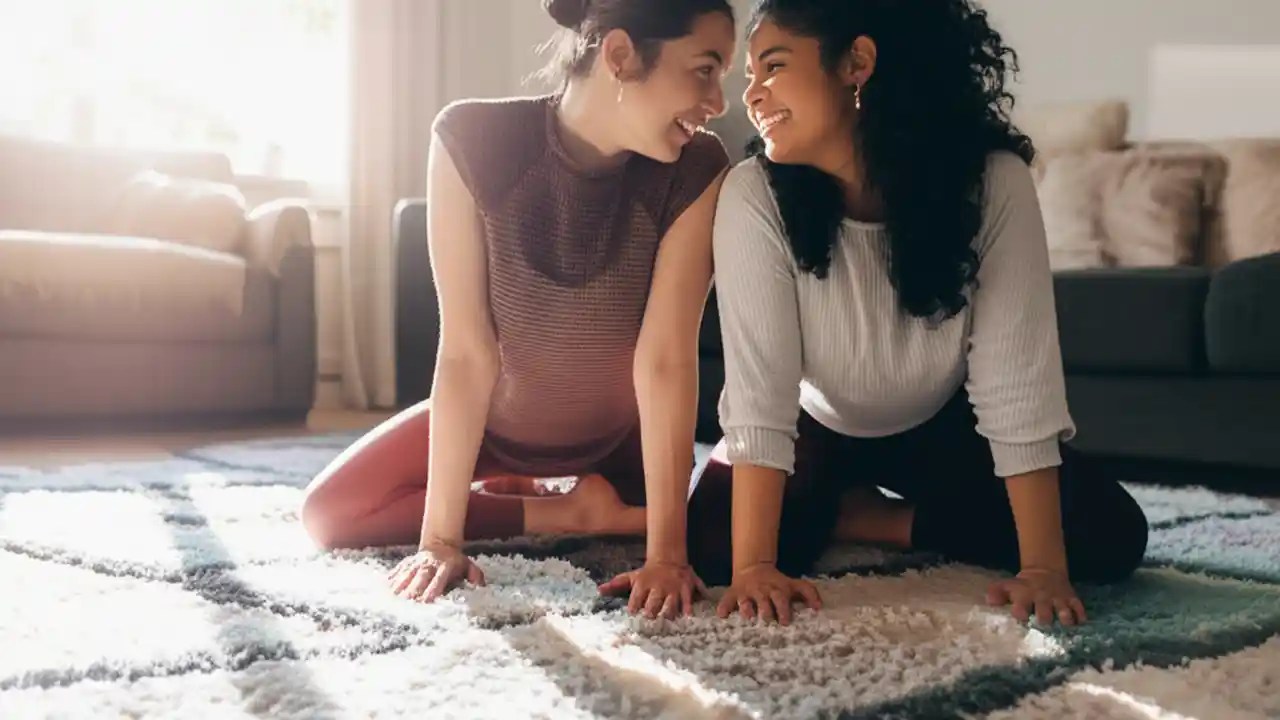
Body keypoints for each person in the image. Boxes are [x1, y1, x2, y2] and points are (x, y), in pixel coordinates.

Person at [689, 0, 1149, 627]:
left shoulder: (993, 183)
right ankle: (843, 503)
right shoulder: (755, 192)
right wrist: (753, 571)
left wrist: (1043, 570)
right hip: (816, 424)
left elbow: (1016, 384)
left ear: (858, 62)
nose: (753, 95)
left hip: (939, 422)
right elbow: (760, 393)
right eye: (750, 75)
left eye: (772, 66)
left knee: (1112, 536)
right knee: (713, 550)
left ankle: (870, 519)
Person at [300, 0, 736, 619]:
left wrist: (667, 555)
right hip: (495, 427)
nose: (719, 100)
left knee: (720, 532)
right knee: (328, 512)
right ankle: (567, 507)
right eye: (705, 69)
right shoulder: (470, 139)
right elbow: (467, 352)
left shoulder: (699, 167)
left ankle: (575, 496)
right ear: (619, 55)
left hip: (620, 440)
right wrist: (440, 542)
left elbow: (665, 357)